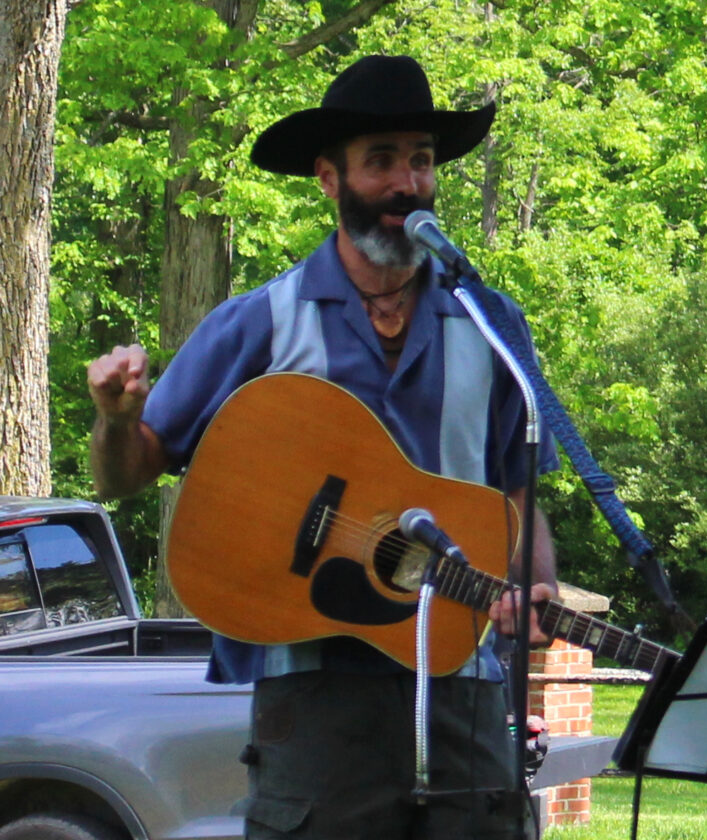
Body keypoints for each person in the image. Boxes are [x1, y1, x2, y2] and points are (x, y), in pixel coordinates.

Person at [88, 54, 560, 840]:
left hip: (463, 684)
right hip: (313, 696)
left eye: (421, 159)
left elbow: (517, 489)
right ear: (329, 180)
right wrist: (114, 417)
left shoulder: (490, 325)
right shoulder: (262, 321)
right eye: (381, 161)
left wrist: (531, 590)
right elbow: (131, 471)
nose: (408, 184)